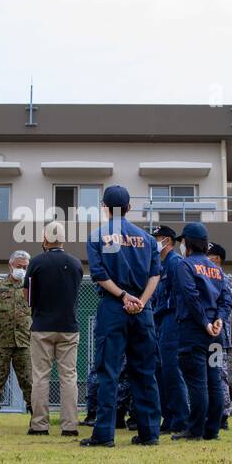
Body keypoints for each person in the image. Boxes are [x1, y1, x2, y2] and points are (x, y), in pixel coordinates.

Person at [79, 185, 162, 447]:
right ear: (129, 207)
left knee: (108, 372)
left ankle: (104, 434)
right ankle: (149, 433)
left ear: (104, 207)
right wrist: (141, 302)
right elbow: (155, 274)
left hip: (114, 308)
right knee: (145, 371)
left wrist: (123, 297)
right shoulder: (148, 239)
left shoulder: (97, 236)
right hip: (143, 309)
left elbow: (99, 275)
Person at [24, 221, 83, 435]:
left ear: (45, 239)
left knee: (41, 376)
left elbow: (27, 296)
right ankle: (69, 426)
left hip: (41, 326)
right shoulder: (75, 263)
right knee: (69, 377)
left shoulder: (36, 262)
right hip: (69, 326)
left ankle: (39, 425)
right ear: (63, 239)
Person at [171, 222, 227, 440]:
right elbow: (225, 299)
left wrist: (204, 322)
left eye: (183, 241)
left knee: (197, 382)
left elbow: (190, 296)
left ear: (189, 242)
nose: (181, 245)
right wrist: (218, 320)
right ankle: (212, 430)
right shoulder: (216, 269)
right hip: (215, 334)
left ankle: (195, 430)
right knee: (213, 380)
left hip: (194, 331)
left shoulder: (184, 266)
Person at [0, 251, 33, 427]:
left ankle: (36, 415)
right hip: (2, 340)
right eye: (19, 266)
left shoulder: (32, 286)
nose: (21, 270)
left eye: (25, 267)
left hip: (24, 340)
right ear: (10, 265)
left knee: (29, 379)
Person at [154, 224, 189, 435]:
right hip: (161, 321)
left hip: (172, 320)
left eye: (157, 238)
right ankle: (168, 417)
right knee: (161, 372)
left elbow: (180, 295)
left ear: (166, 241)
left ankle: (181, 419)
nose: (154, 243)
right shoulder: (162, 265)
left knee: (172, 371)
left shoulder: (175, 263)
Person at [207, 243, 232, 430]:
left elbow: (224, 305)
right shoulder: (208, 276)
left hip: (219, 336)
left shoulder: (222, 278)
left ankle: (222, 416)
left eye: (209, 256)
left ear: (217, 259)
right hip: (209, 333)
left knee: (219, 375)